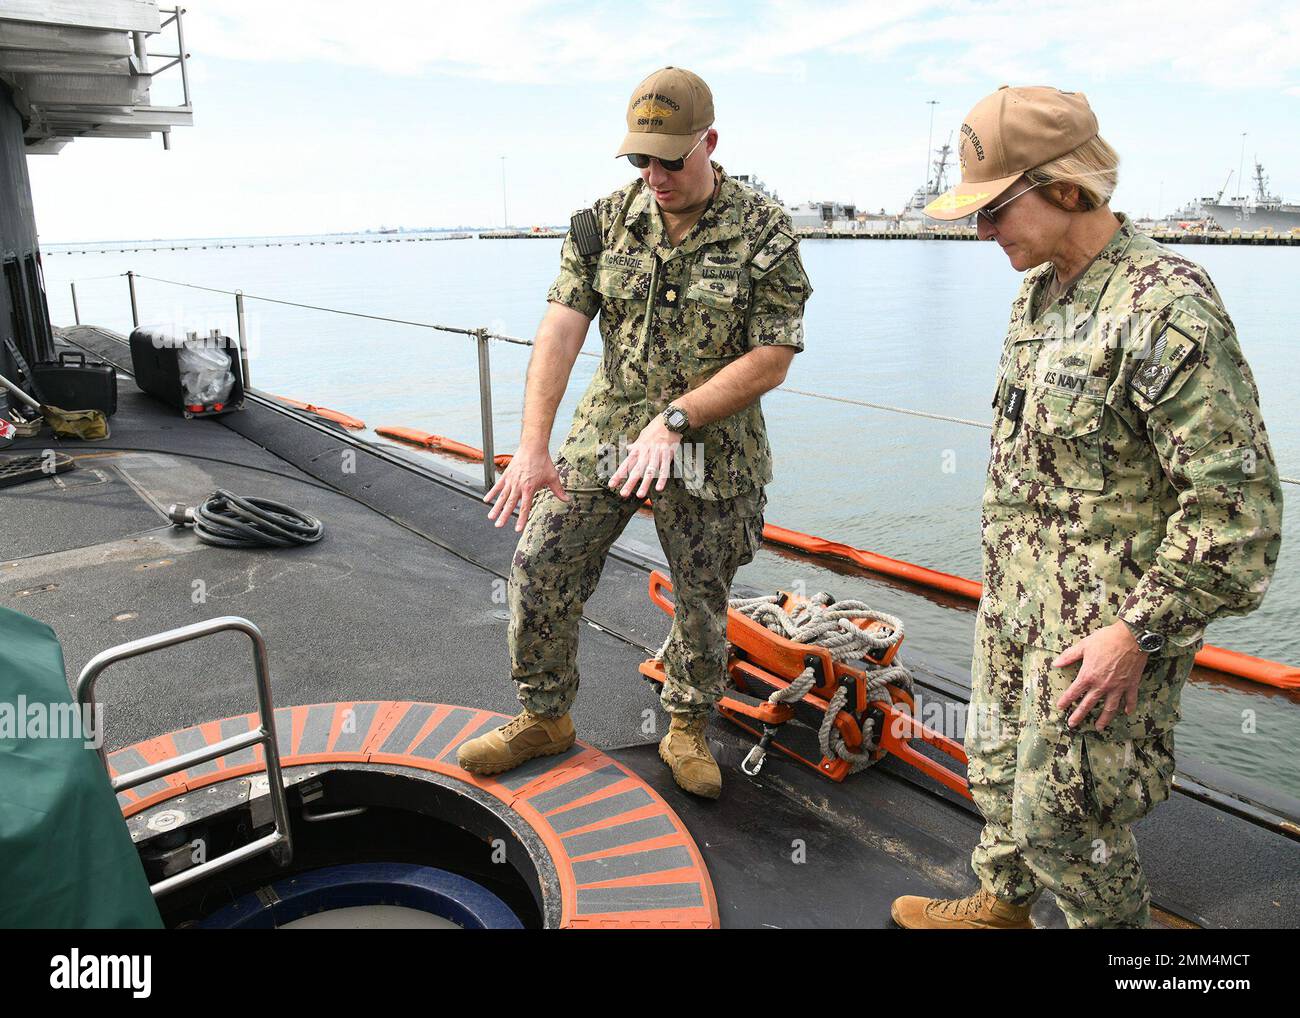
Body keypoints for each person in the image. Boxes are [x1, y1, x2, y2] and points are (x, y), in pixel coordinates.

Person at [892, 85, 1282, 928]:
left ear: (1067, 188)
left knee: (1067, 824)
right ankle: (1001, 904)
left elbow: (1238, 514)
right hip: (1018, 610)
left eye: (995, 210)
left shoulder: (1163, 308)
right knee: (995, 772)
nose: (980, 231)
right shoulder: (1042, 291)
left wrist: (1136, 635)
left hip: (1102, 641)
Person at [457, 66, 812, 799]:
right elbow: (560, 328)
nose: (655, 175)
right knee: (541, 562)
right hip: (612, 427)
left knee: (702, 593)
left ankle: (685, 723)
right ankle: (545, 715)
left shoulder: (766, 230)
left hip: (713, 443)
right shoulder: (602, 223)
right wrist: (532, 445)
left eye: (670, 159)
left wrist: (678, 418)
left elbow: (772, 356)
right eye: (640, 160)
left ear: (709, 142)